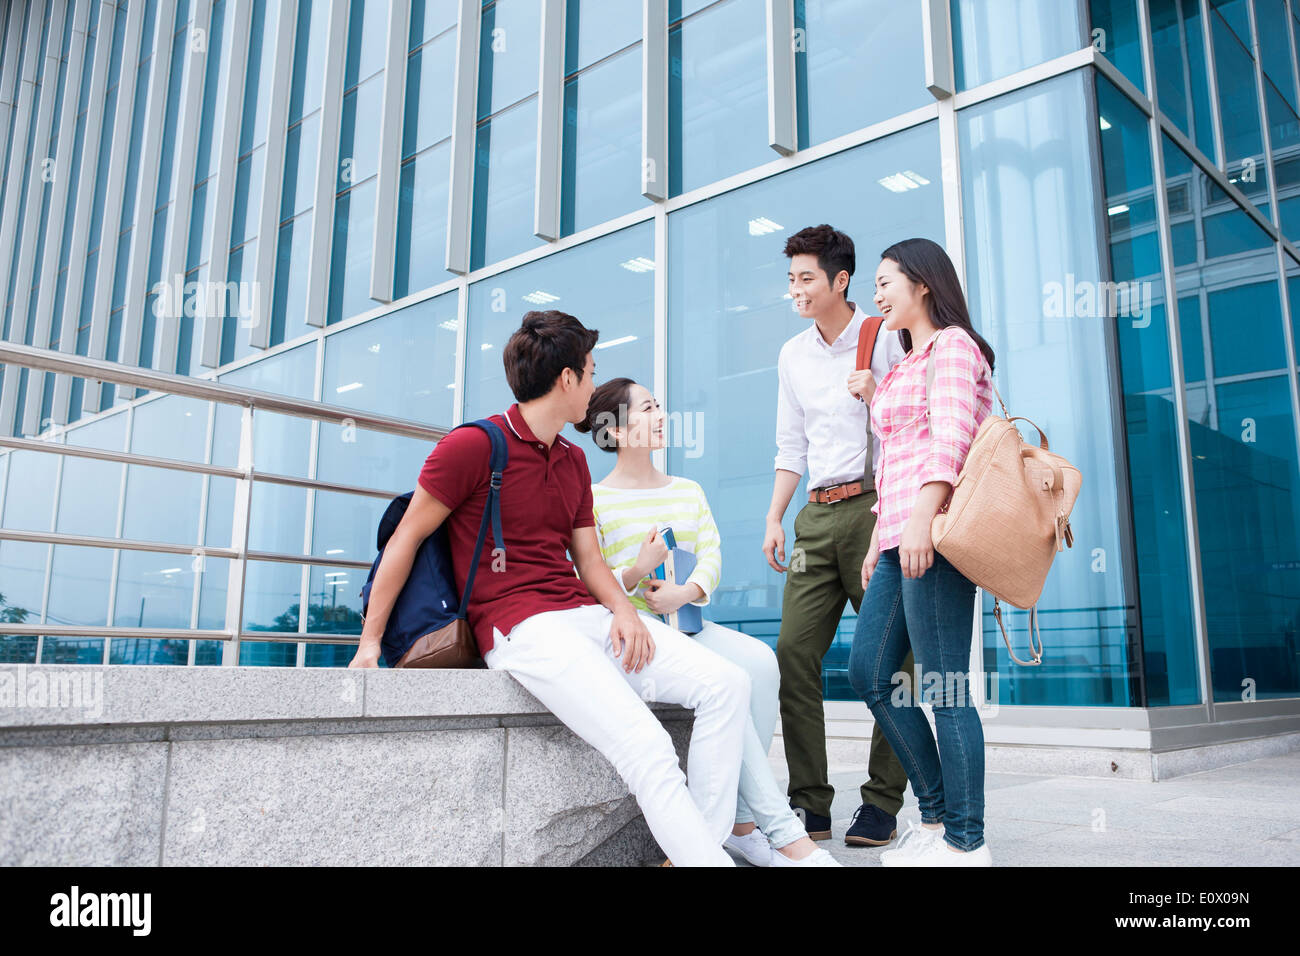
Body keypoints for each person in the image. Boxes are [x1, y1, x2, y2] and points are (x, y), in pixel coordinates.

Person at [349, 310, 753, 868]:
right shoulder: (472, 445)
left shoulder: (572, 460)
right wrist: (370, 643)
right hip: (519, 627)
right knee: (647, 746)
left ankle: (701, 851)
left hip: (583, 612)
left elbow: (587, 558)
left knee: (728, 684)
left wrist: (624, 612)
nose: (594, 385)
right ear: (567, 379)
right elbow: (405, 539)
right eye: (589, 373)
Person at [576, 377, 841, 867]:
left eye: (659, 406)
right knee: (729, 683)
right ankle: (772, 830)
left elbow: (712, 553)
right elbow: (587, 577)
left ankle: (740, 823)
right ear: (615, 429)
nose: (660, 416)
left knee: (761, 663)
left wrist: (687, 590)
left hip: (694, 626)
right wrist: (637, 568)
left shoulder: (688, 489)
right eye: (648, 408)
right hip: (641, 635)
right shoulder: (594, 499)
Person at [763, 223, 915, 846]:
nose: (795, 289)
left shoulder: (884, 338)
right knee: (794, 653)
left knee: (891, 661)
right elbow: (790, 444)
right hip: (814, 518)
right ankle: (810, 806)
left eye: (806, 278)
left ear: (840, 280)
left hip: (875, 506)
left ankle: (881, 804)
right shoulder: (792, 354)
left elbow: (914, 423)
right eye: (791, 279)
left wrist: (877, 394)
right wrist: (776, 516)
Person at [847, 237, 996, 867]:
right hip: (897, 538)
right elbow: (895, 459)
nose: (877, 295)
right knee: (868, 674)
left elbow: (952, 441)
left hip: (932, 536)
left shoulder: (954, 348)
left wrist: (920, 523)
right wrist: (883, 534)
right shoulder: (905, 364)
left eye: (886, 282)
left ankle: (966, 840)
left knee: (945, 686)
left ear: (924, 285)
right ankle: (935, 818)